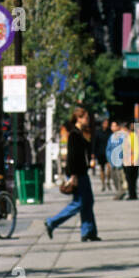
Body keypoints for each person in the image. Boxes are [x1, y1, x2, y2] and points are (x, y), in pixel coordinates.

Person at [45, 103, 100, 242]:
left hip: (82, 172)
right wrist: (73, 175)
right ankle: (52, 222)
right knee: (79, 203)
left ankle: (88, 231)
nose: (88, 120)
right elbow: (72, 157)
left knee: (88, 201)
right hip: (77, 173)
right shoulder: (74, 135)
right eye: (85, 117)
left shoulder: (81, 133)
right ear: (79, 119)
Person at [93, 115, 110, 193]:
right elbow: (95, 143)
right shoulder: (98, 132)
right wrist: (93, 153)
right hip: (100, 153)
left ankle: (108, 181)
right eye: (105, 123)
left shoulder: (109, 132)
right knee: (102, 169)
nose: (106, 124)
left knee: (109, 167)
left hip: (108, 152)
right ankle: (103, 183)